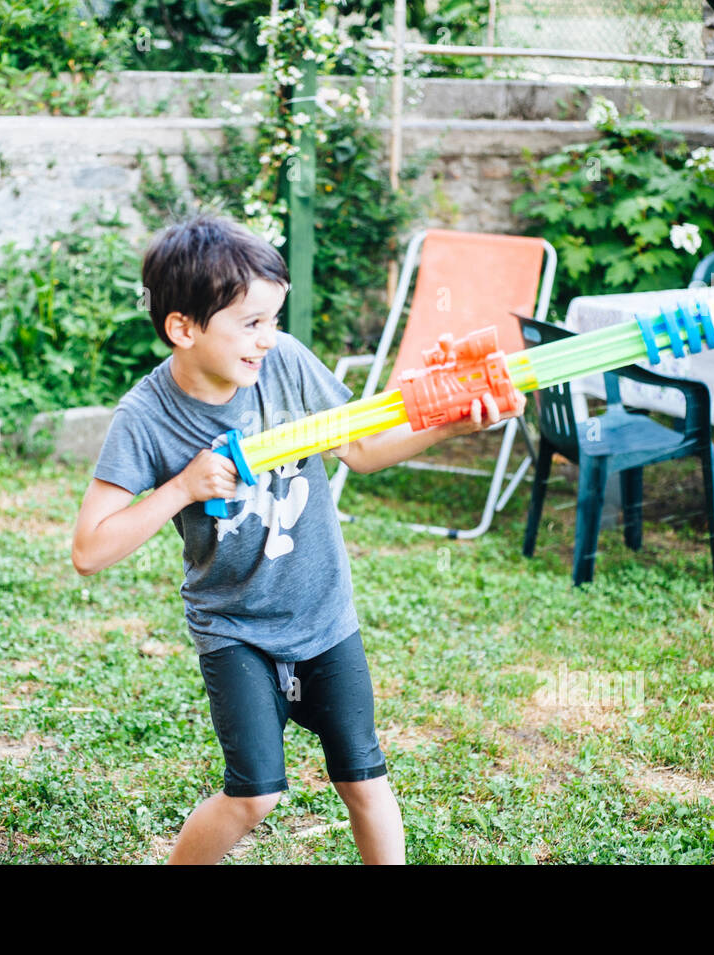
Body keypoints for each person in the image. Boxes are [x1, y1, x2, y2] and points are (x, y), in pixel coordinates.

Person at [71, 213, 525, 864]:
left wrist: (452, 429)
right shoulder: (145, 417)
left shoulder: (284, 365)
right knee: (254, 794)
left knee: (364, 779)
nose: (268, 339)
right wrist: (180, 487)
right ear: (182, 327)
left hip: (323, 614)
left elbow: (363, 447)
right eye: (250, 324)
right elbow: (90, 549)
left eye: (273, 320)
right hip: (236, 628)